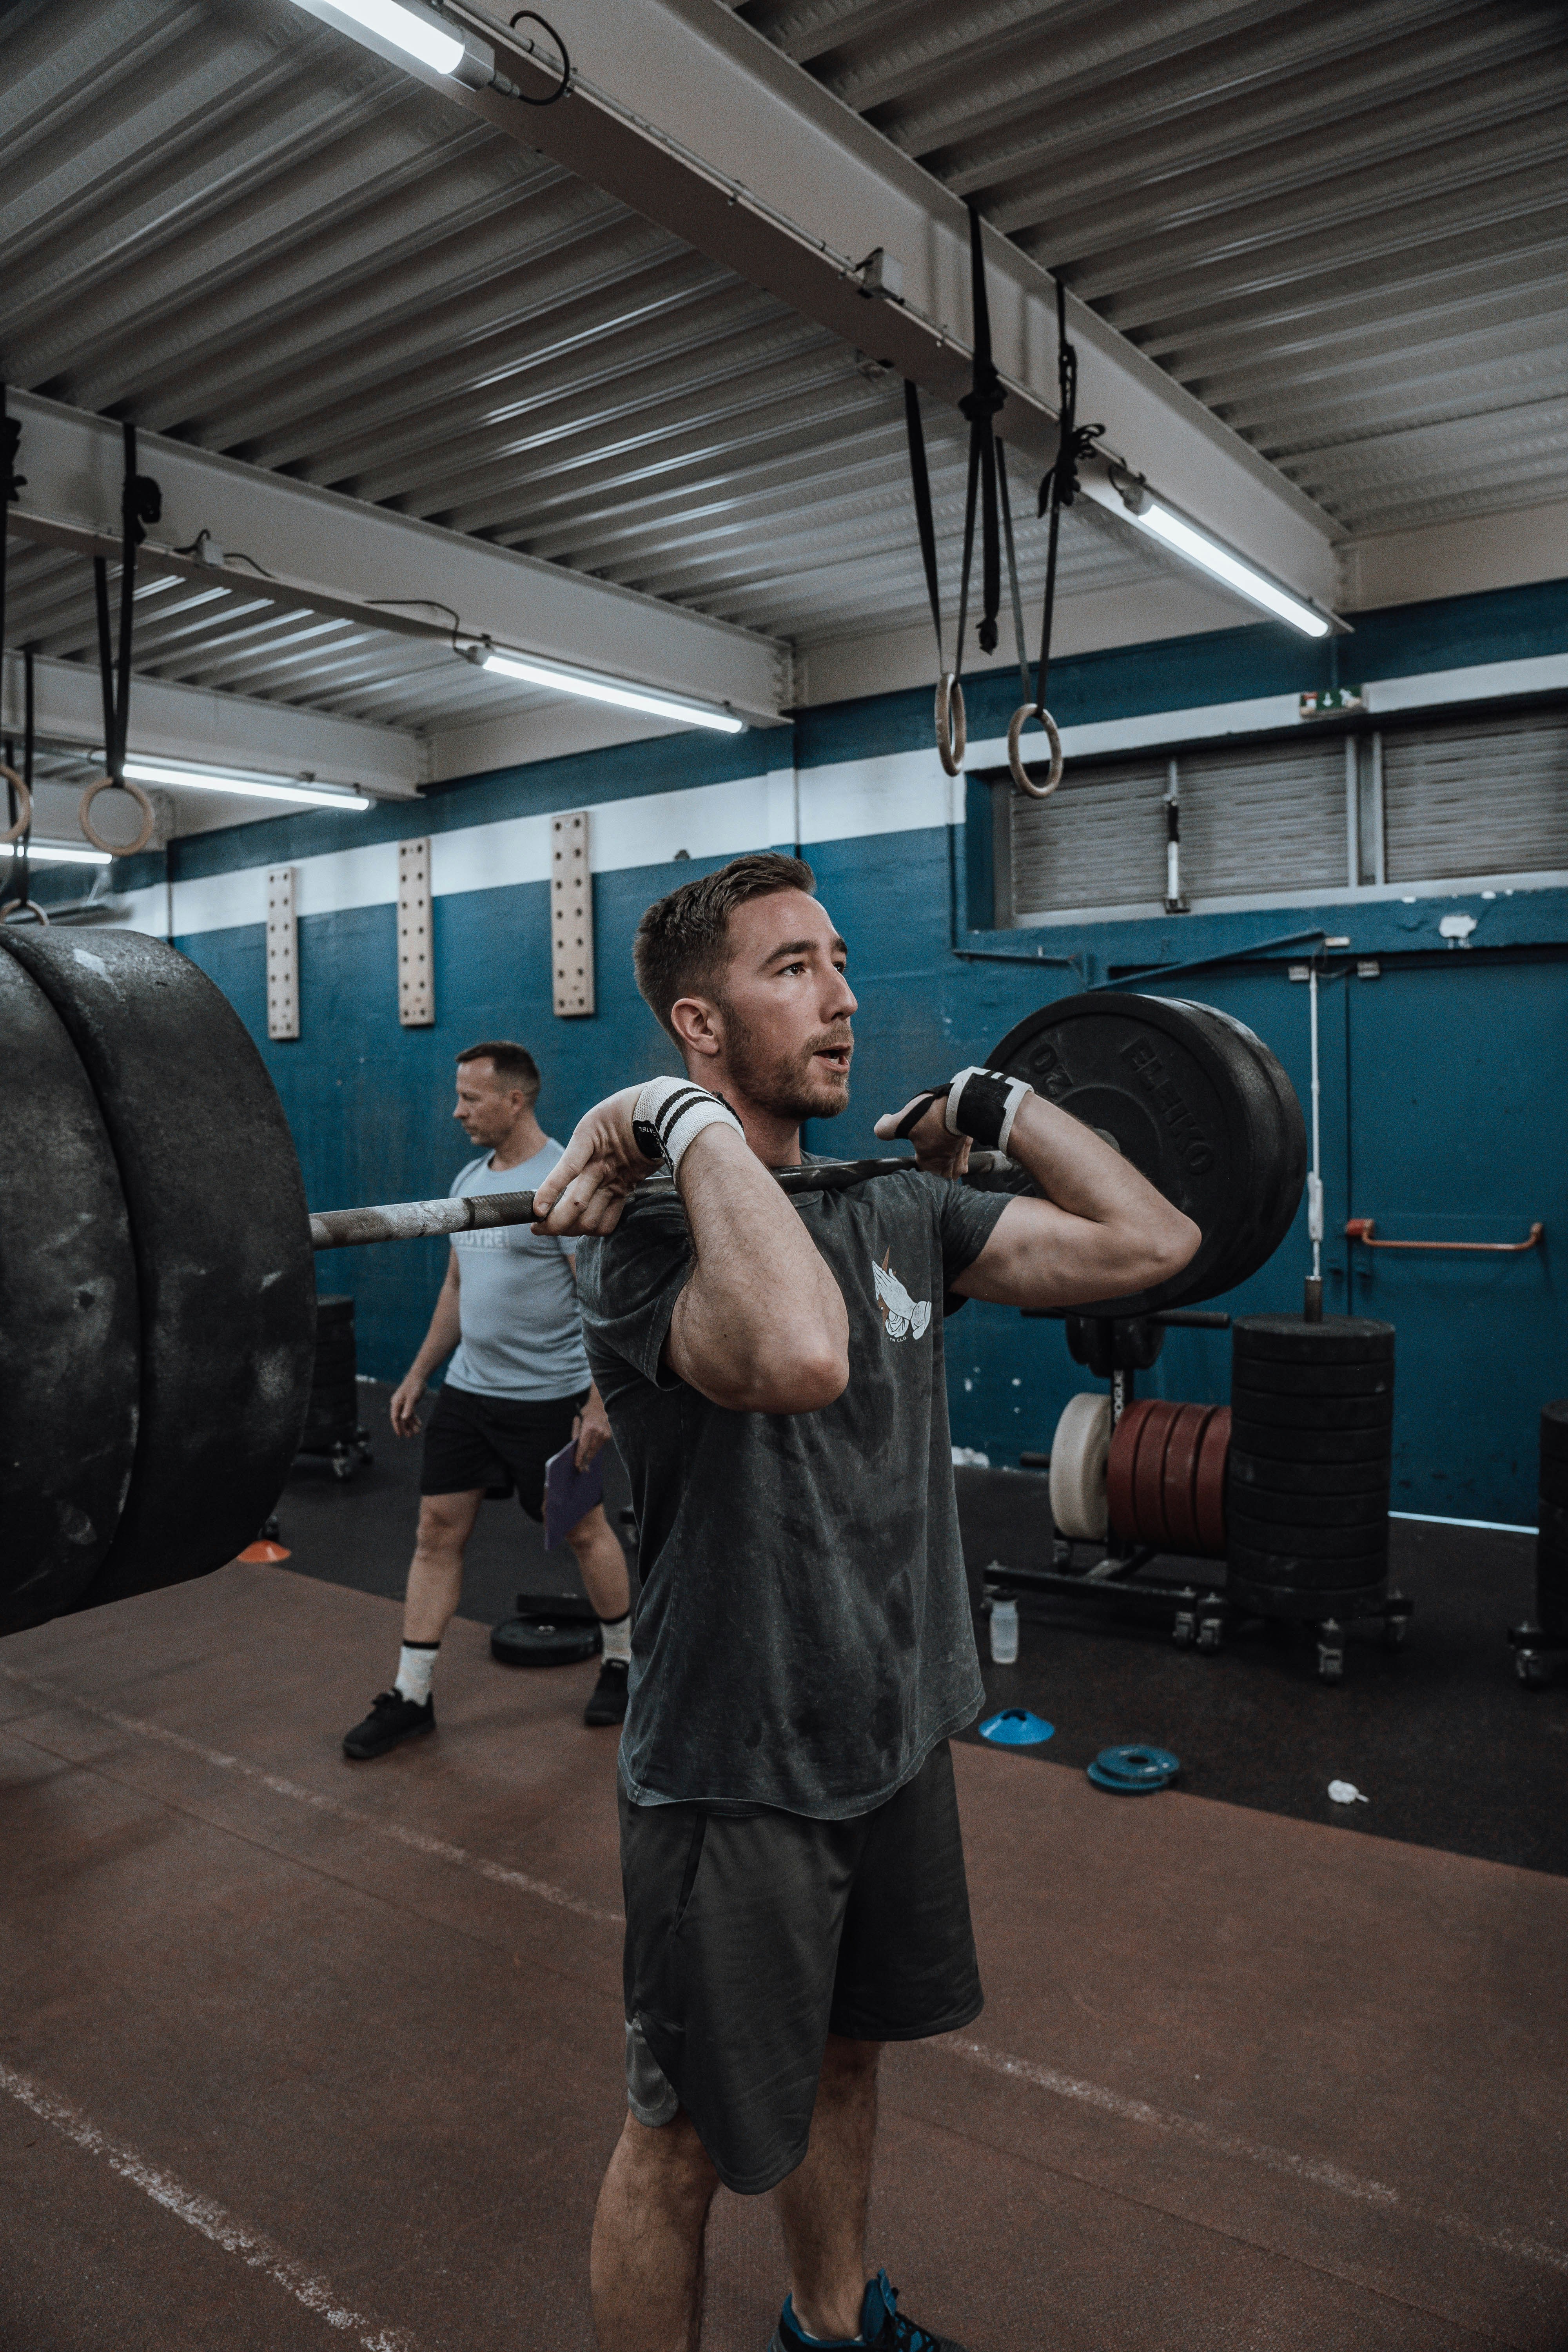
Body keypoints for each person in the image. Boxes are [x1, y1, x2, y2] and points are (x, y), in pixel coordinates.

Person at [529, 853, 1199, 2352]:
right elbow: (798, 1352)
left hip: (891, 1727)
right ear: (698, 1024)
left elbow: (1153, 1245)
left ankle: (831, 2330)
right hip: (738, 1763)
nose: (840, 1000)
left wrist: (994, 1103)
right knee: (684, 2143)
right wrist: (684, 1128)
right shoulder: (641, 1239)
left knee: (848, 2054)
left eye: (840, 962)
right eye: (791, 971)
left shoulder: (895, 1204)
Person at [342, 1041, 632, 1760]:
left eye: (471, 1098)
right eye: (459, 1095)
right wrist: (418, 1374)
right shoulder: (471, 1176)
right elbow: (455, 1288)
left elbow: (604, 1299)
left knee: (584, 1532)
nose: (457, 1110)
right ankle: (412, 1694)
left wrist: (599, 1404)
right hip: (469, 1394)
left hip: (548, 1401)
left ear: (516, 1099)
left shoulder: (565, 1177)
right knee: (436, 1533)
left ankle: (624, 1664)